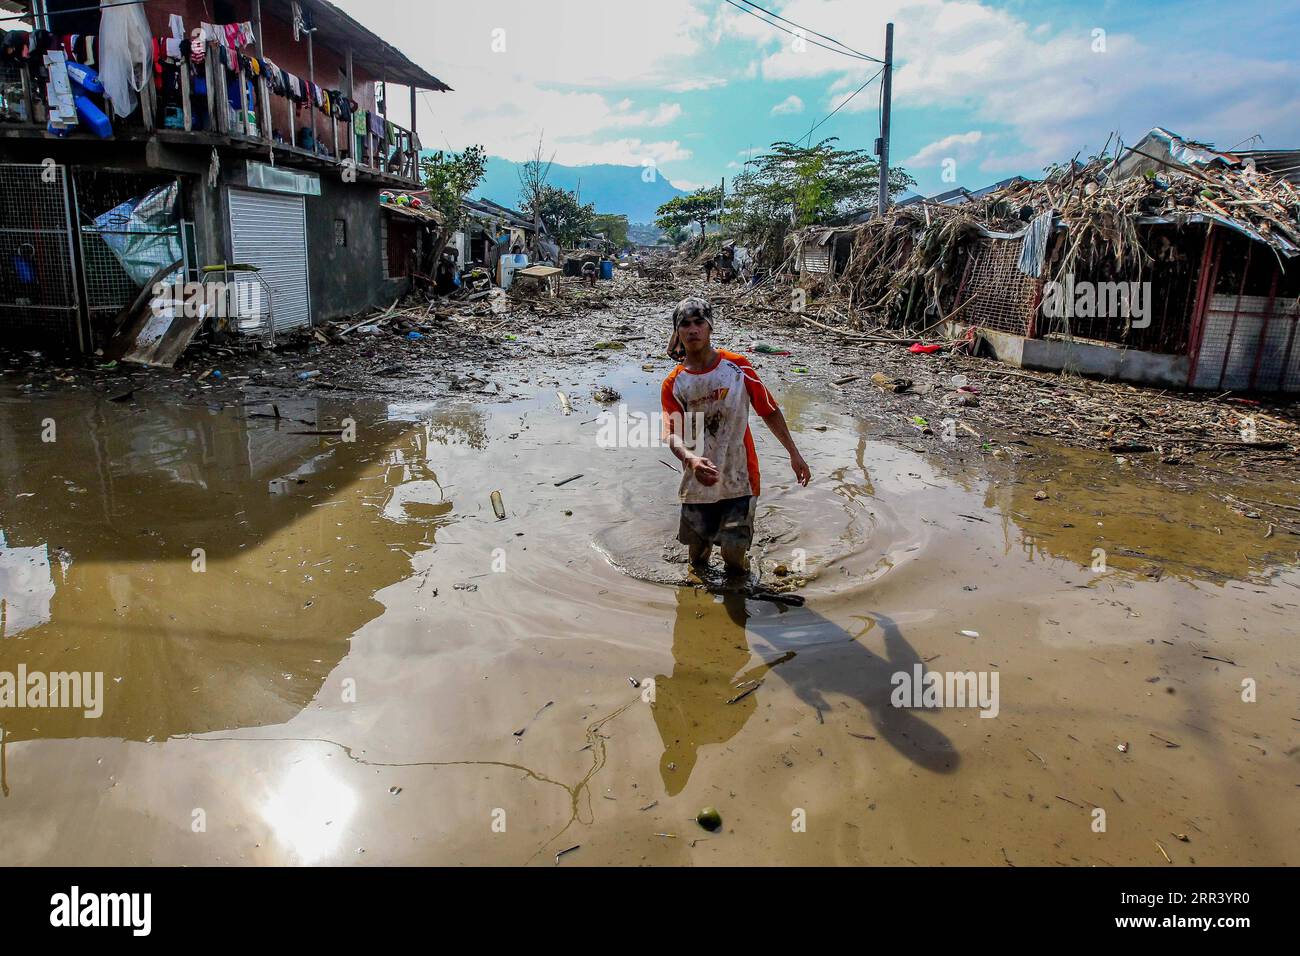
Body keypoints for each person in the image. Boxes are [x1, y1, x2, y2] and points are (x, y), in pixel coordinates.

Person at [661, 297, 810, 579]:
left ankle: (740, 593)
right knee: (698, 558)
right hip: (698, 479)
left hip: (740, 478)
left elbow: (769, 410)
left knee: (732, 557)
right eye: (685, 324)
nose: (693, 330)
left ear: (710, 328)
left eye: (699, 323)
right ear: (677, 332)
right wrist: (690, 458)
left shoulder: (737, 367)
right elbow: (672, 433)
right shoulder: (674, 382)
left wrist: (794, 453)